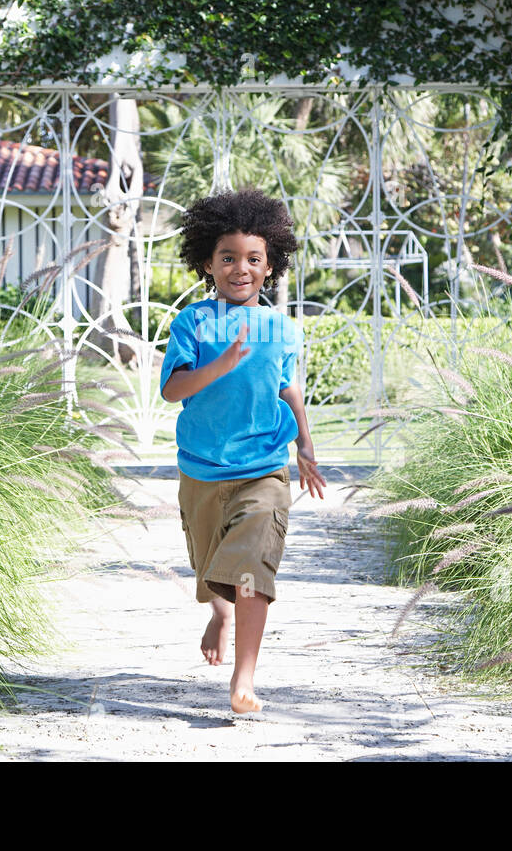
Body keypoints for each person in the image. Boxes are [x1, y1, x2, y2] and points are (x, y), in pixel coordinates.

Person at [159, 187, 327, 714]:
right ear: (207, 262)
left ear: (270, 264)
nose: (240, 268)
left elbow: (287, 387)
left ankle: (244, 680)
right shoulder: (192, 323)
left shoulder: (283, 328)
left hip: (264, 470)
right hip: (203, 470)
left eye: (253, 259)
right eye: (227, 258)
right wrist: (220, 366)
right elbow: (173, 388)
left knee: (252, 572)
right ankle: (219, 614)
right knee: (211, 571)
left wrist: (305, 442)